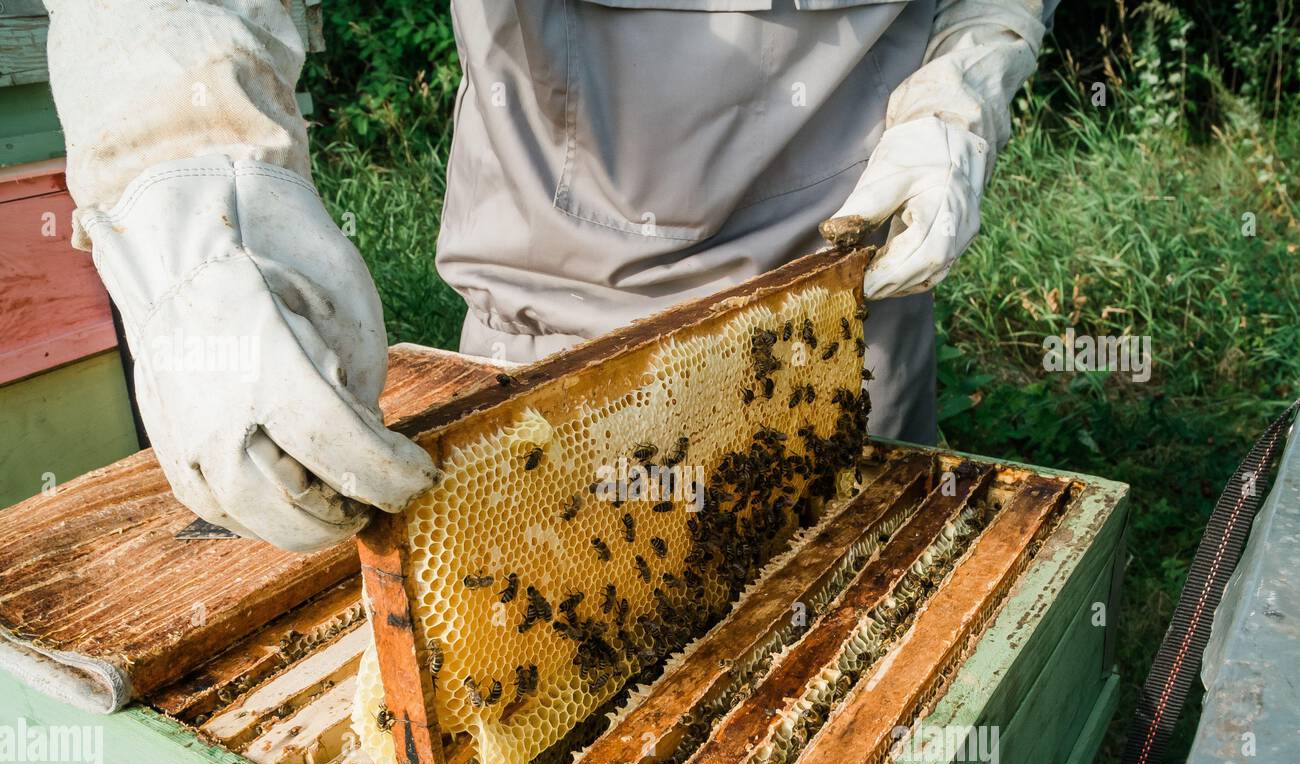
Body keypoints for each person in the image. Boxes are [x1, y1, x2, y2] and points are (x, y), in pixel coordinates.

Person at [44, 0, 1052, 552]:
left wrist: (962, 86)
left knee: (848, 691)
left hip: (839, 342)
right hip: (556, 362)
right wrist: (184, 196)